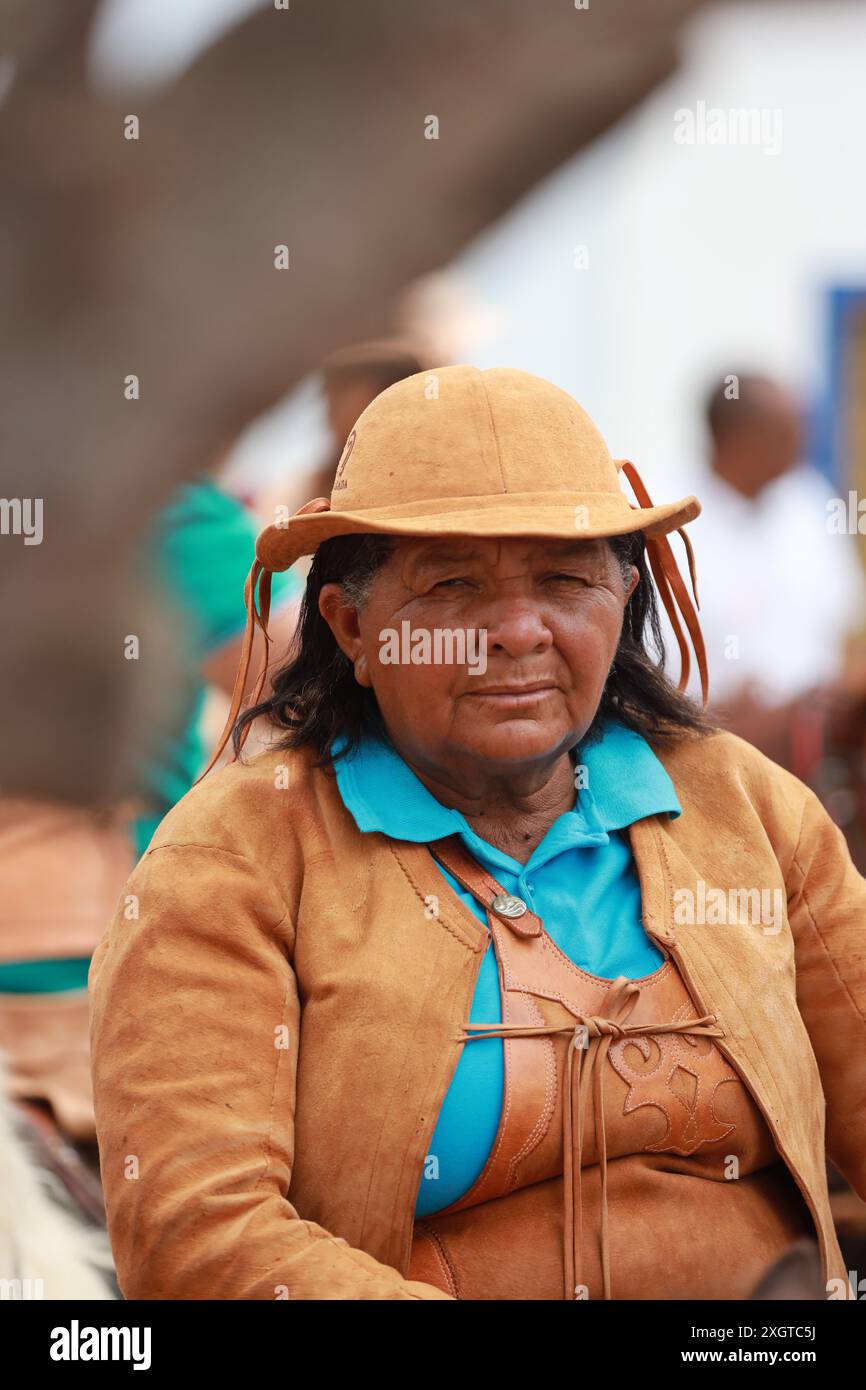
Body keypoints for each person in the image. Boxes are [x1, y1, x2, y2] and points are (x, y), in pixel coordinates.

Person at [89, 366, 866, 1301]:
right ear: (350, 626)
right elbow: (200, 1239)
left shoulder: (746, 808)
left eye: (565, 579)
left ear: (624, 600)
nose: (517, 631)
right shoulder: (234, 858)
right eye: (452, 584)